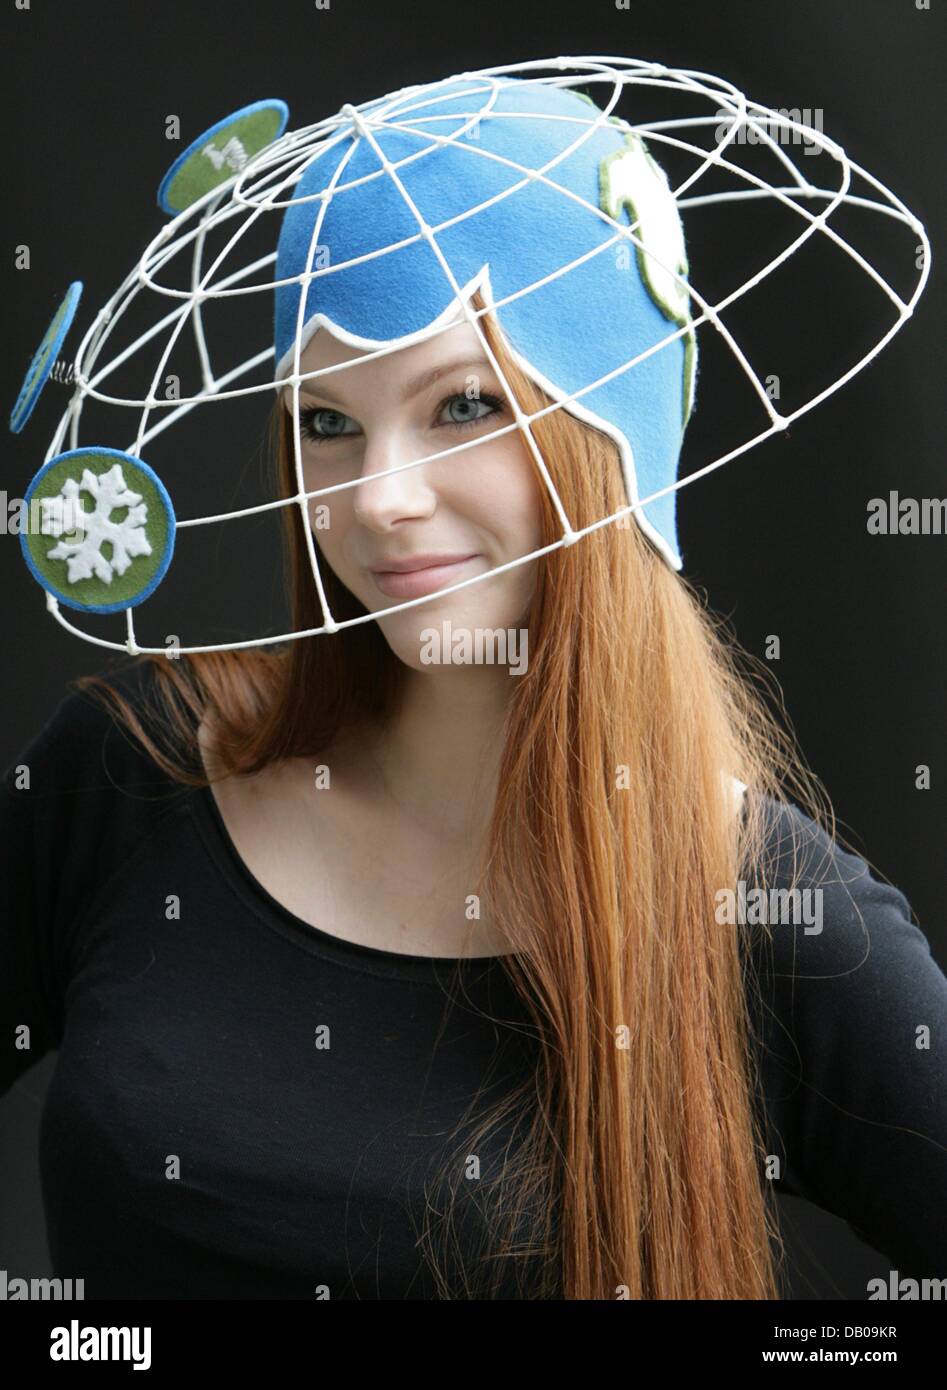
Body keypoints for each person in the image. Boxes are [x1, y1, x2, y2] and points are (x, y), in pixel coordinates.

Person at [2, 73, 945, 1300]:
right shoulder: (133, 771)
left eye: (462, 404)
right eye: (326, 422)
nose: (377, 496)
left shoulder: (758, 910)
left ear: (610, 439)